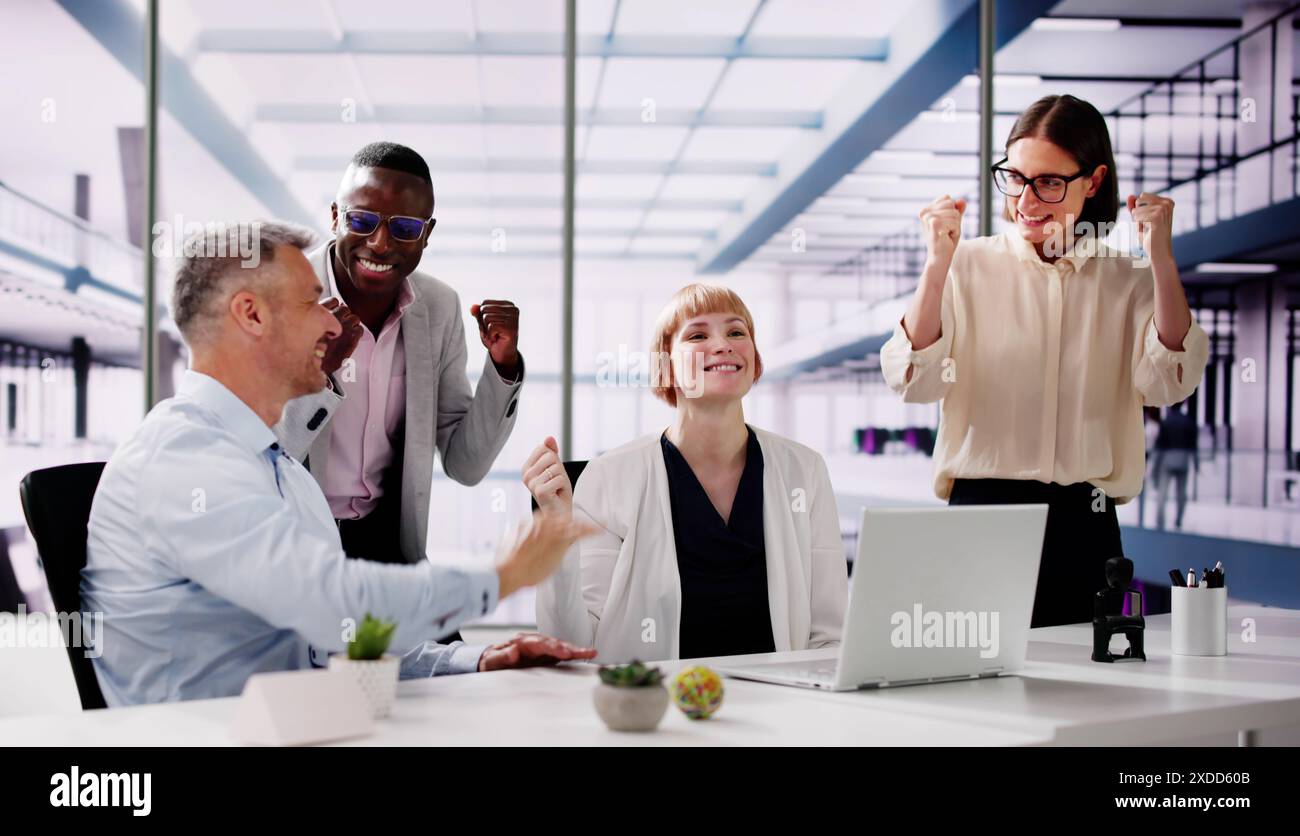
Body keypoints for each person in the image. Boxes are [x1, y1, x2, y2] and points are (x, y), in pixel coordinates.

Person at [82, 222, 594, 706]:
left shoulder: (281, 470)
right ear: (251, 314)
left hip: (293, 723)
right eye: (312, 301)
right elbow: (328, 603)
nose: (334, 321)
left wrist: (474, 658)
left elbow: (335, 640)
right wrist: (501, 576)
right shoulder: (182, 456)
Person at [880, 94, 1208, 628]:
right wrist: (937, 264)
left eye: (1048, 183)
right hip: (981, 513)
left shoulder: (1127, 280)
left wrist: (1162, 260)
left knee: (1084, 692)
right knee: (975, 689)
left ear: (1094, 181)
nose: (1025, 201)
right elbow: (913, 380)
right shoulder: (967, 266)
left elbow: (1170, 381)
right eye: (1014, 177)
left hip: (1088, 521)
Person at [526, 284, 848, 663]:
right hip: (657, 708)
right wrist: (557, 531)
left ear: (755, 358)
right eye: (698, 335)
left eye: (736, 332)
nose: (723, 345)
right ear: (666, 365)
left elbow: (830, 638)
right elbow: (575, 644)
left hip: (779, 707)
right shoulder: (608, 477)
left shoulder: (804, 471)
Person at [275, 142, 523, 574]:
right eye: (362, 220)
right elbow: (255, 463)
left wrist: (502, 366)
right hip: (293, 553)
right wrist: (317, 375)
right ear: (336, 217)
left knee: (456, 644)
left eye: (405, 228)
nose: (380, 243)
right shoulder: (281, 297)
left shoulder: (439, 307)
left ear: (427, 233)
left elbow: (465, 464)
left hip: (390, 551)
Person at [1153, 402, 1199, 530]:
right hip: (1183, 458)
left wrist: (1154, 466)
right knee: (1181, 492)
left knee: (1163, 491)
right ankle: (1179, 519)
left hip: (1168, 457)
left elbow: (1160, 445)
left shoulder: (1167, 422)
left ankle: (1160, 519)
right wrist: (1196, 463)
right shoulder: (1188, 421)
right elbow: (1193, 445)